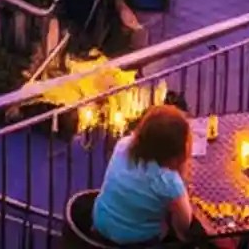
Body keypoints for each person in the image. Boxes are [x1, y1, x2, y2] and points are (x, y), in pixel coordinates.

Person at [92, 105, 237, 248]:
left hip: (100, 225)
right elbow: (183, 226)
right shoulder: (168, 182)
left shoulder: (123, 145)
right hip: (135, 243)